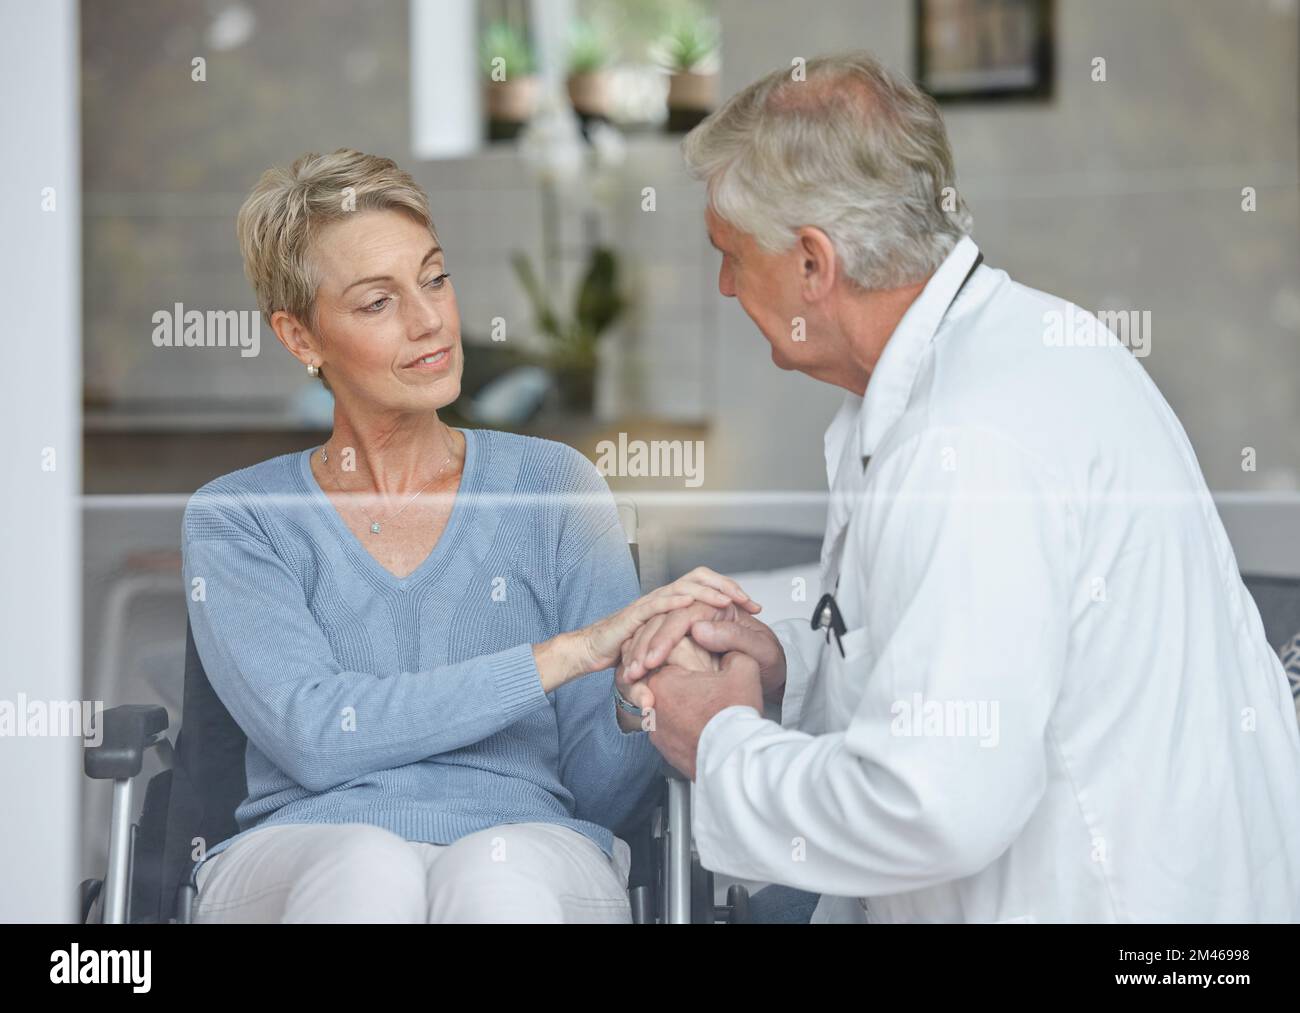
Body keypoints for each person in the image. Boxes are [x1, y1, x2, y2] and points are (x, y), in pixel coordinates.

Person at [622, 50, 1300, 923]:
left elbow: (932, 800)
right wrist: (791, 671)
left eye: (728, 252)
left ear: (812, 266)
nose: (721, 284)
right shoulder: (1028, 344)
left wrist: (720, 742)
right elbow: (962, 675)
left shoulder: (969, 441)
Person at [183, 148, 754, 923]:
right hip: (304, 849)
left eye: (435, 278)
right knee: (368, 864)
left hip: (530, 841)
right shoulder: (240, 517)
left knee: (498, 872)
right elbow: (318, 736)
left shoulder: (551, 486)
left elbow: (600, 791)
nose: (429, 321)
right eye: (377, 302)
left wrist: (636, 686)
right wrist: (570, 653)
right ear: (300, 335)